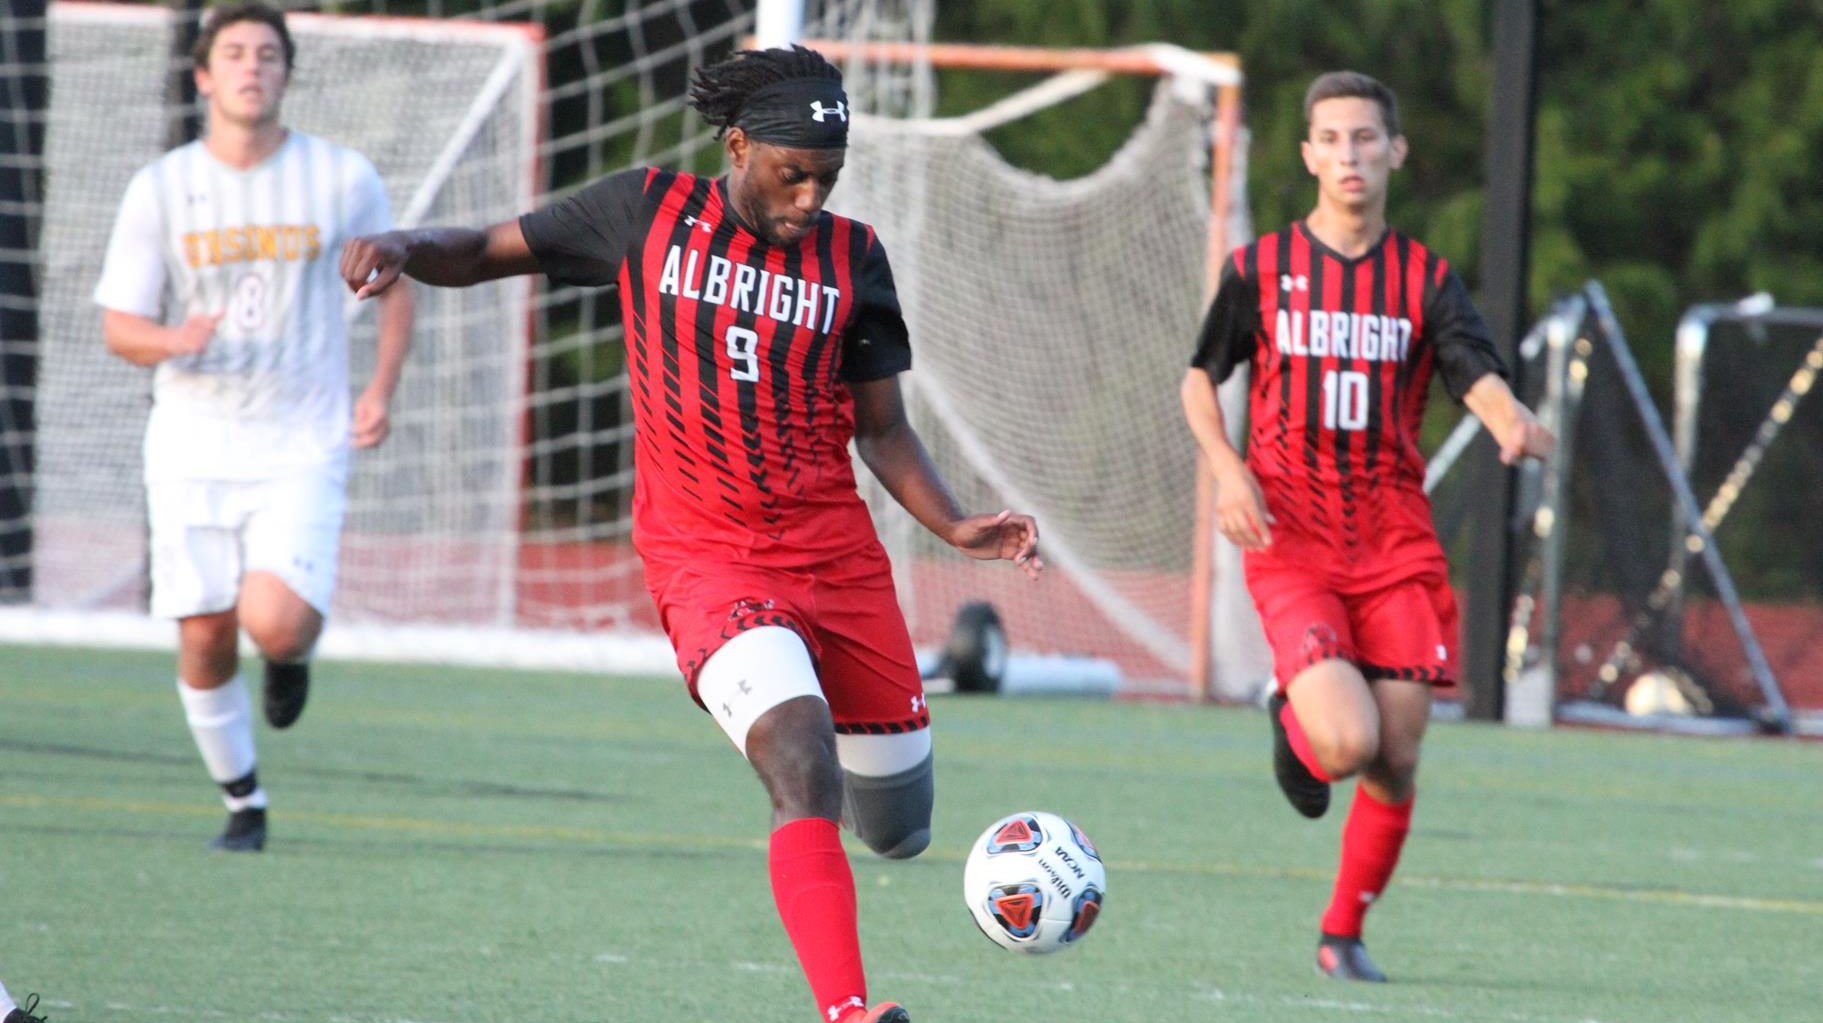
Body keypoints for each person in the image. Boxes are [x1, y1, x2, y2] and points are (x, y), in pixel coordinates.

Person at [340, 45, 1039, 1023]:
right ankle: (846, 1012)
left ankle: (846, 813)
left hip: (837, 563)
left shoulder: (854, 259)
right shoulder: (645, 213)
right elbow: (487, 251)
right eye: (791, 173)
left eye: (827, 178)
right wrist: (406, 242)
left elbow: (881, 429)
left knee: (898, 828)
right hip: (707, 563)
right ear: (738, 145)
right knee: (800, 760)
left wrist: (956, 524)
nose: (810, 197)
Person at [1181, 70, 1554, 982]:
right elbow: (1199, 377)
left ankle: (1341, 933)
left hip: (1393, 542)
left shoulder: (1424, 278)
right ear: (1308, 155)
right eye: (1331, 139)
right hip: (1291, 539)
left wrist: (1509, 419)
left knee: (1396, 751)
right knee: (1346, 742)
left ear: (1395, 151)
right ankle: (1294, 716)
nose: (1348, 154)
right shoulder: (1261, 268)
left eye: (1364, 138)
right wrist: (1228, 469)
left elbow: (1474, 371)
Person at [94, 2, 414, 852]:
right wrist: (173, 340)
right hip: (191, 439)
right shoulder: (161, 187)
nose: (251, 67)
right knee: (204, 632)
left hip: (301, 436)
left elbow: (395, 289)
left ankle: (289, 658)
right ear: (204, 76)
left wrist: (379, 389)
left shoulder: (340, 177)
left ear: (286, 74)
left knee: (273, 621)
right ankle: (244, 801)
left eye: (267, 54)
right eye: (233, 53)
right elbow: (121, 325)